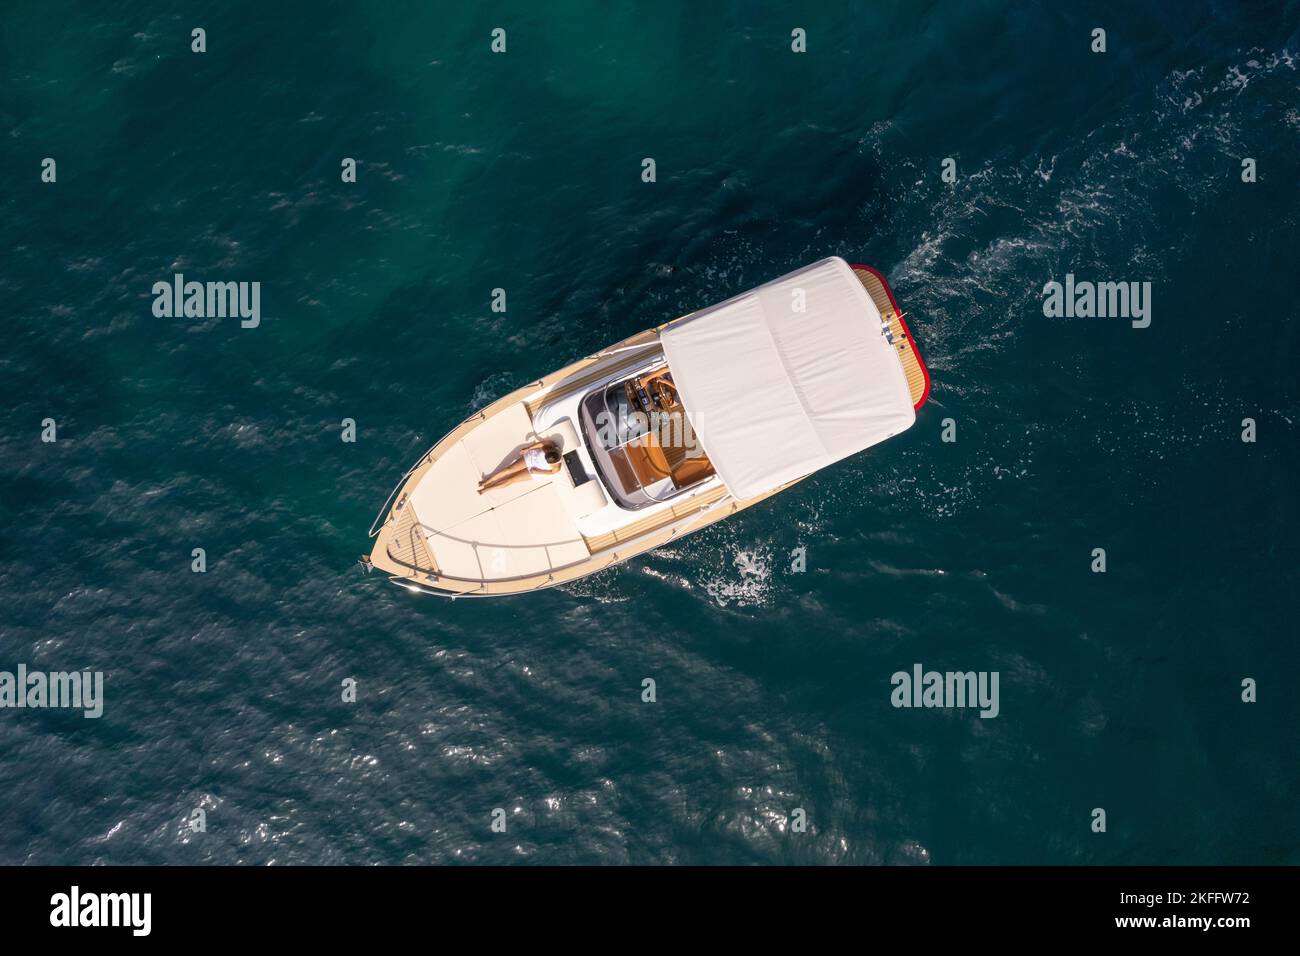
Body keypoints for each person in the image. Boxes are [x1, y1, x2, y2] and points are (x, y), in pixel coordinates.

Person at [477, 439, 562, 494]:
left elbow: (552, 472)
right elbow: (541, 444)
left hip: (536, 470)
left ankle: (487, 489)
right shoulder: (551, 445)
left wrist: (538, 471)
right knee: (509, 470)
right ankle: (487, 481)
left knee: (511, 479)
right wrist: (528, 448)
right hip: (531, 458)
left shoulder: (557, 466)